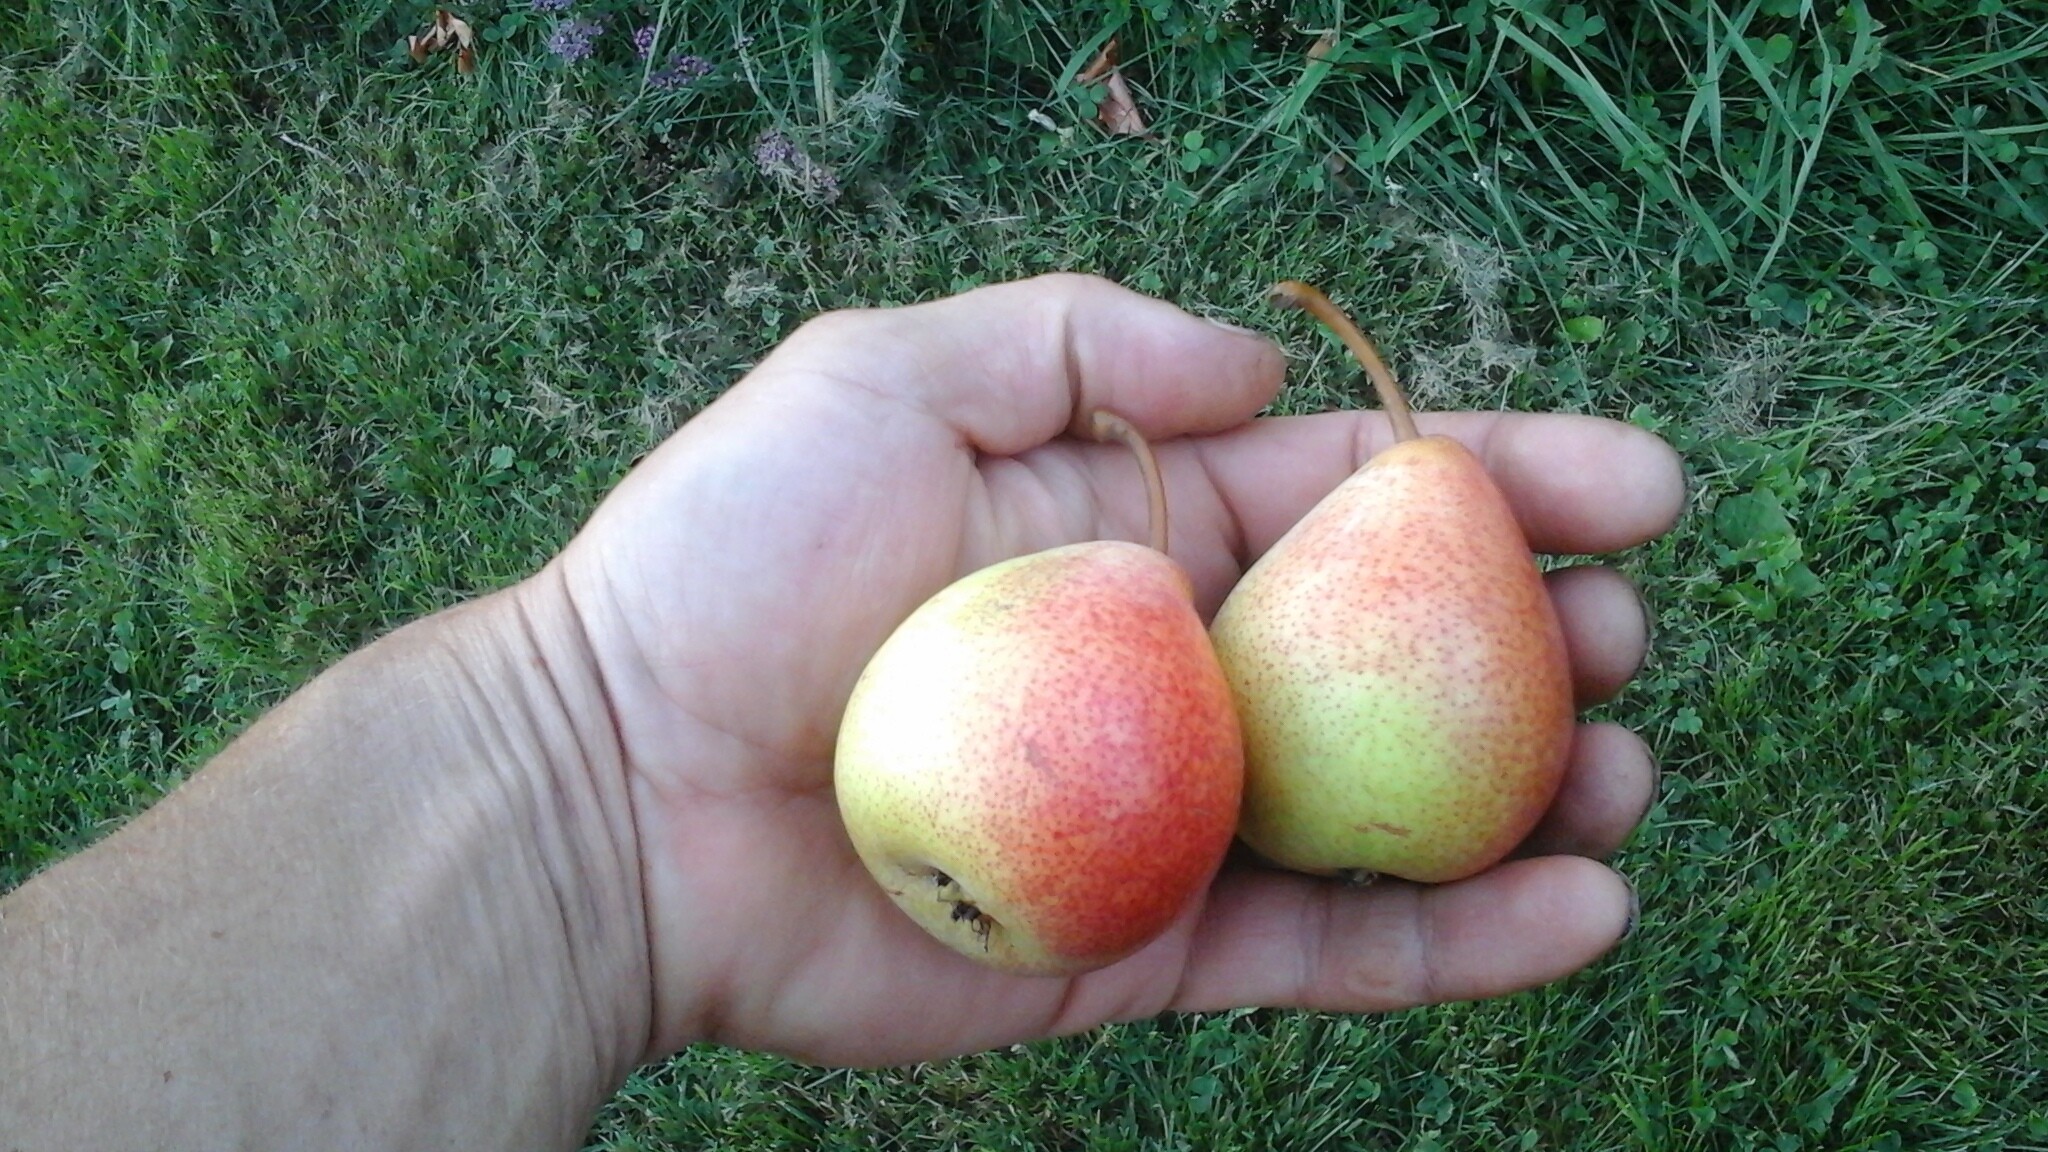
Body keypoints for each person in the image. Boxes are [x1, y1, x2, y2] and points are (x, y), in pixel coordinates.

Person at [0, 274, 1684, 1149]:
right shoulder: (1146, 628)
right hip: (986, 801)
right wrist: (587, 747)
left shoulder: (1144, 637)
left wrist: (570, 779)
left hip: (947, 782)